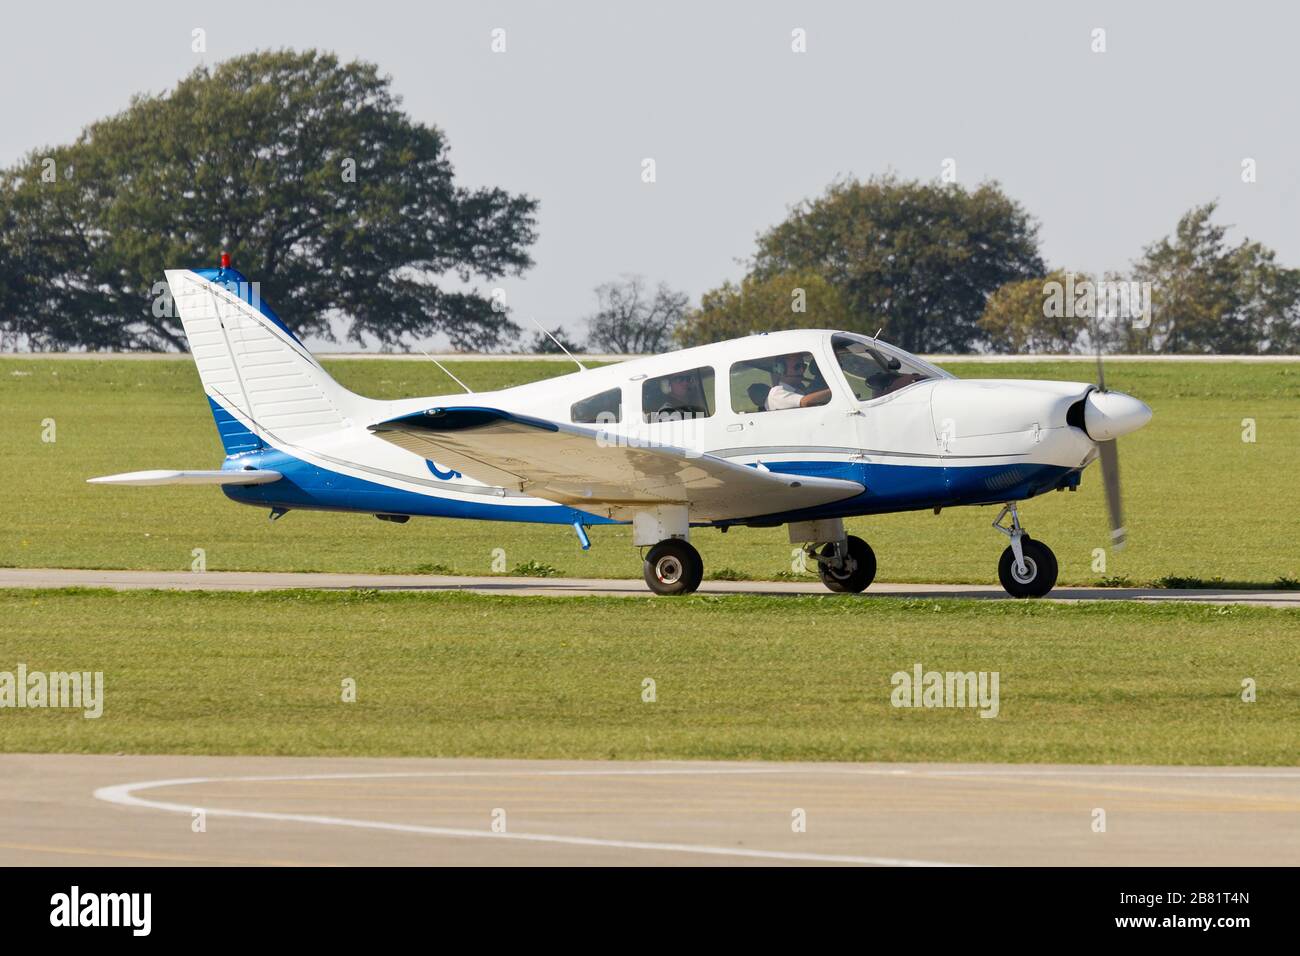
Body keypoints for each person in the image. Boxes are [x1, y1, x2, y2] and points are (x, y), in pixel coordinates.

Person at [766, 354, 832, 410]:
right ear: (781, 370)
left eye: (804, 367)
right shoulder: (776, 392)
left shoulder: (798, 389)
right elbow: (805, 402)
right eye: (797, 367)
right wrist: (834, 390)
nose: (802, 370)